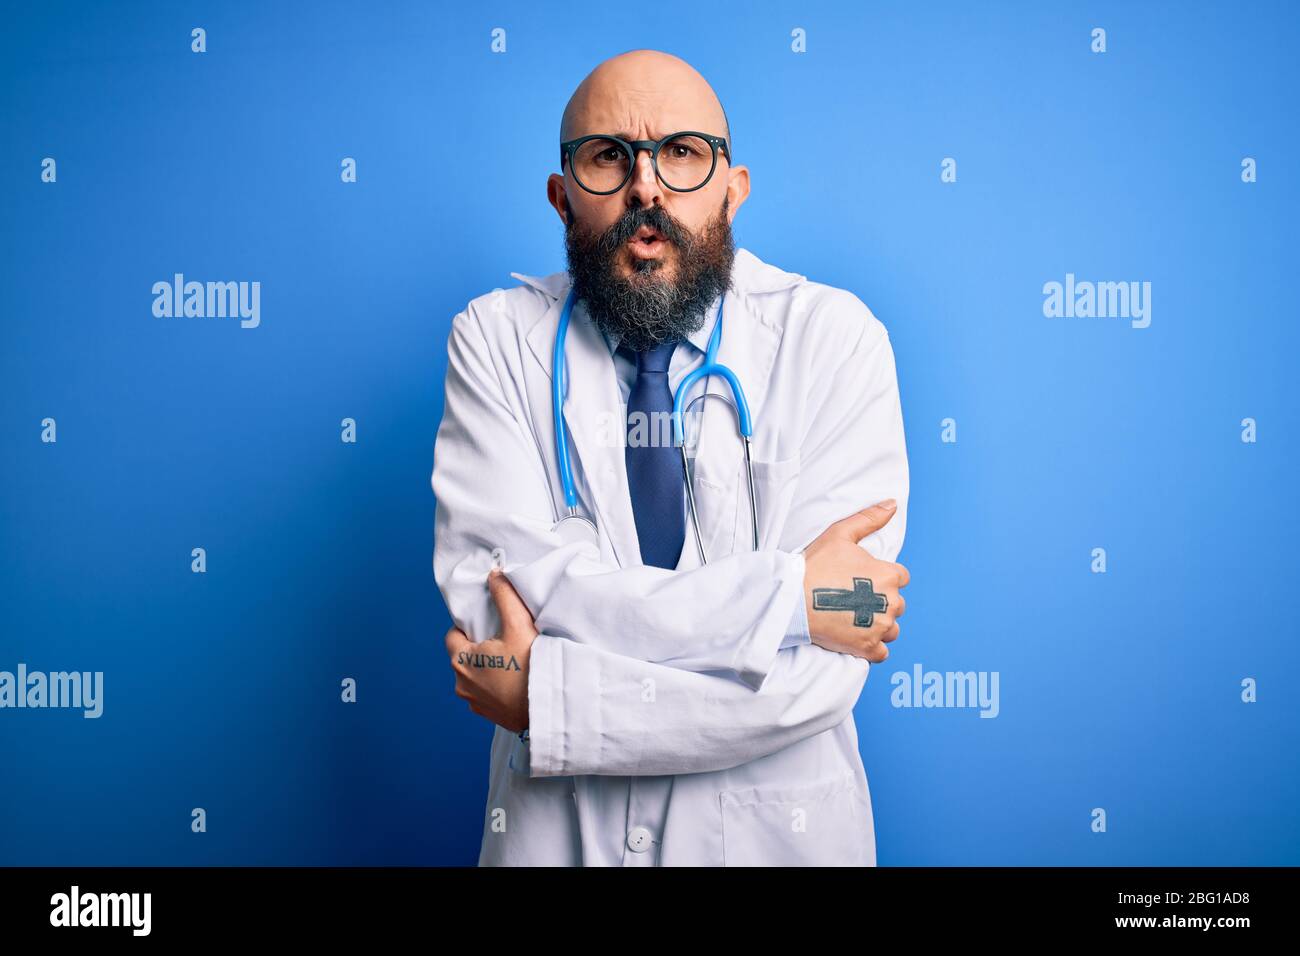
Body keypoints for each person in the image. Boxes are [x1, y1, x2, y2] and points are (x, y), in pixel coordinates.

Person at [431, 48, 910, 866]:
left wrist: (545, 699)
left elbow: (816, 685)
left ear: (734, 186)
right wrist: (793, 601)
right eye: (608, 156)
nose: (647, 188)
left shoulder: (835, 340)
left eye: (682, 153)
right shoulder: (495, 340)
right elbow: (488, 624)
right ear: (561, 196)